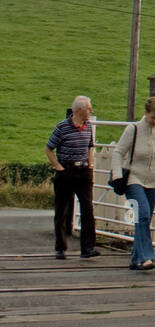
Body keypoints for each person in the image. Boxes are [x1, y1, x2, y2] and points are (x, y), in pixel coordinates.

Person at [111, 97, 155, 271]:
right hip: (133, 179)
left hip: (152, 182)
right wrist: (117, 175)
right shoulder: (133, 129)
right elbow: (118, 152)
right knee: (142, 215)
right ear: (146, 113)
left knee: (144, 220)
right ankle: (146, 257)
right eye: (153, 117)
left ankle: (135, 259)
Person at [45, 95, 98, 260]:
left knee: (88, 209)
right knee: (62, 210)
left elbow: (90, 146)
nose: (90, 111)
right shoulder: (62, 127)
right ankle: (60, 247)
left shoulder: (88, 126)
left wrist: (90, 165)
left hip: (83, 171)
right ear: (79, 110)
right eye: (88, 108)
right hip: (66, 170)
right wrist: (58, 167)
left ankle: (87, 248)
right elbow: (49, 148)